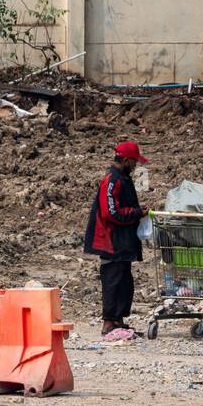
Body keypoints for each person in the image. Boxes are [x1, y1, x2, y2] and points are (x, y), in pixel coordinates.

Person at [83, 140, 150, 338]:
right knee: (112, 279)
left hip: (123, 240)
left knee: (124, 281)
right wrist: (136, 213)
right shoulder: (112, 180)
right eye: (135, 161)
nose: (136, 165)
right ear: (127, 160)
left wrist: (137, 212)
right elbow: (111, 213)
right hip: (111, 240)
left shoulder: (122, 178)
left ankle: (119, 320)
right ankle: (109, 323)